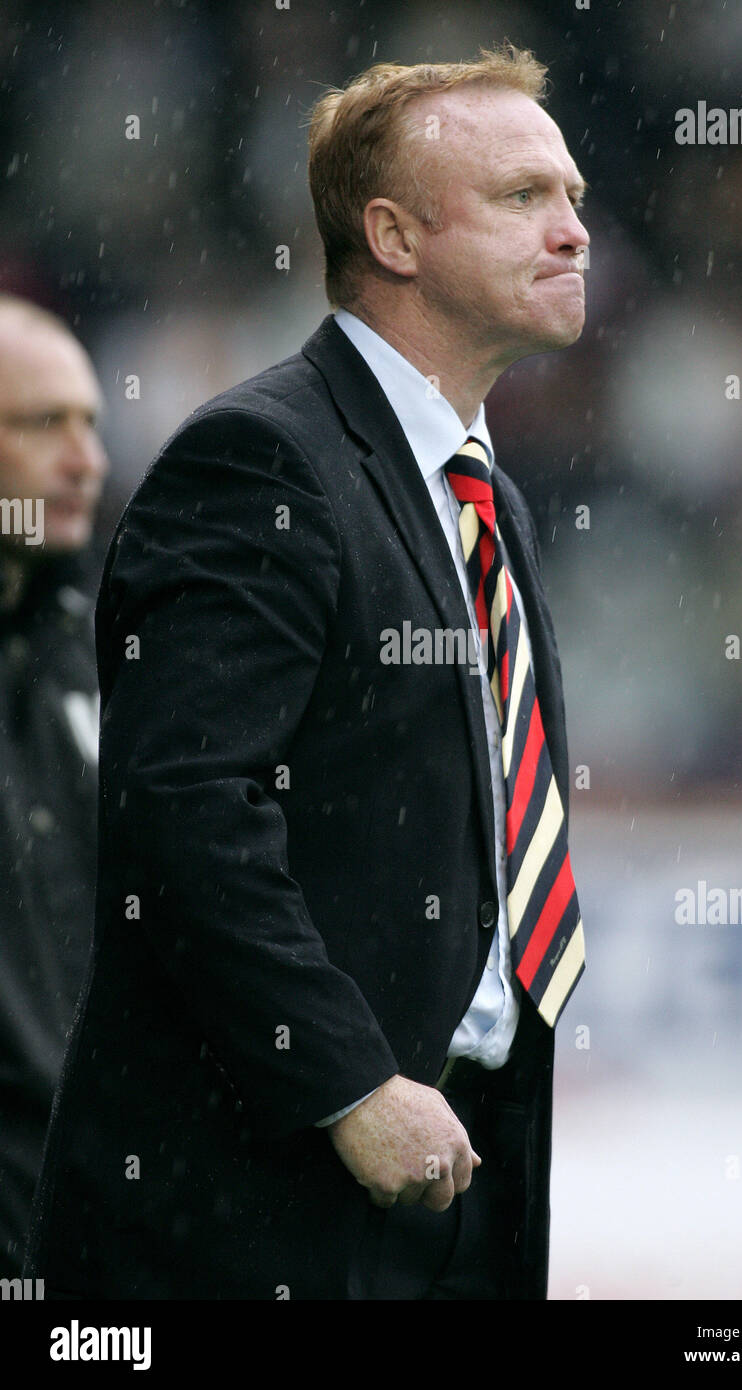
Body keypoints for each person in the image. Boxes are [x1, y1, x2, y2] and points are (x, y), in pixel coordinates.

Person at [26, 43, 589, 1301]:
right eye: (522, 199)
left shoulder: (486, 496)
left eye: (574, 200)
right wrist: (344, 1080)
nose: (572, 233)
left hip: (449, 1189)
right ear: (390, 234)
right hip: (256, 1207)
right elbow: (184, 809)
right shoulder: (258, 462)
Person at [0, 295, 108, 1276]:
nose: (86, 460)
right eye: (44, 425)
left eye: (91, 425)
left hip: (86, 1221)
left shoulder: (100, 657)